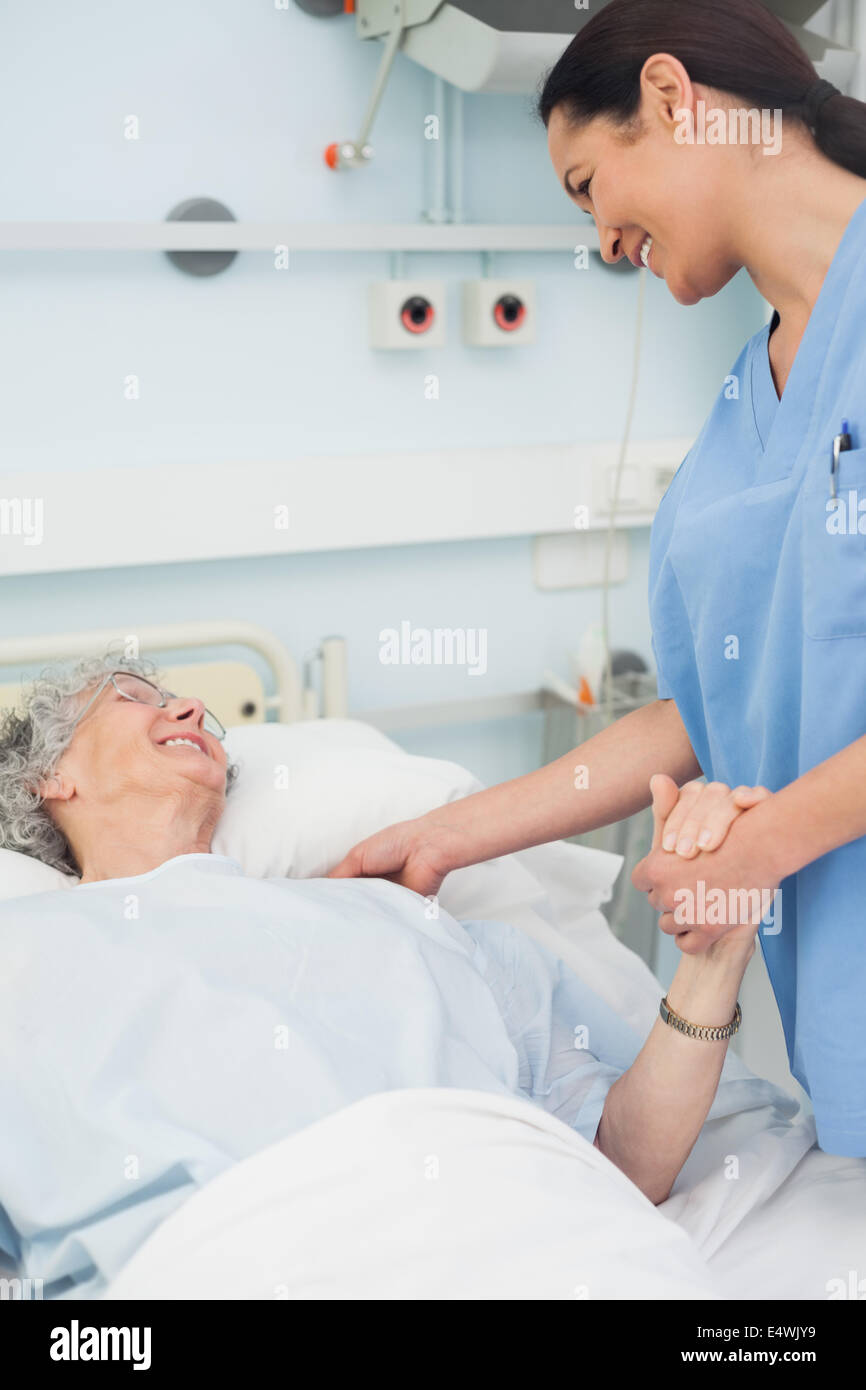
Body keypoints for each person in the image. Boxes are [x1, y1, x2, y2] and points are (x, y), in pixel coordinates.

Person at [330, 0, 866, 1159]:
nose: (599, 235)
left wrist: (760, 850)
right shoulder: (747, 397)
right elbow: (719, 704)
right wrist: (447, 833)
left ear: (671, 100)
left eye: (586, 185)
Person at [0, 654, 767, 1296]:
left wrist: (713, 959)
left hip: (545, 1237)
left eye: (187, 706)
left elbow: (625, 1162)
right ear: (49, 777)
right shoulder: (22, 954)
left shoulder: (406, 917)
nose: (191, 709)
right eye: (135, 698)